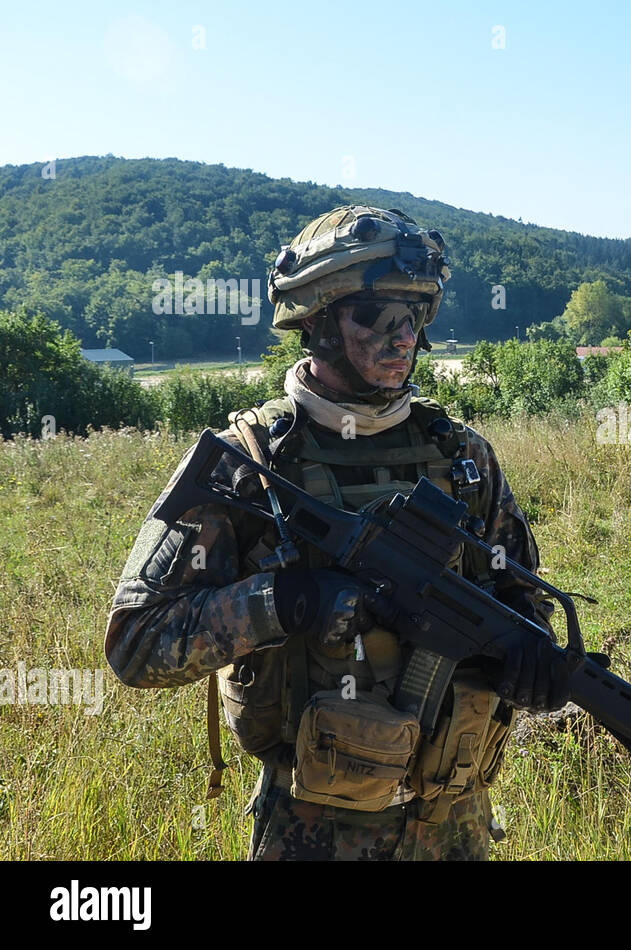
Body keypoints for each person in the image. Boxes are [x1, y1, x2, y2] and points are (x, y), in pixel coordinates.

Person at [105, 205, 568, 860]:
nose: (401, 336)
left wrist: (533, 657)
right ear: (318, 319)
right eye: (377, 316)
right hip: (311, 832)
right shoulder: (249, 463)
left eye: (413, 316)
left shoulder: (466, 460)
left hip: (454, 824)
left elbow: (523, 600)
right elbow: (136, 645)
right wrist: (283, 604)